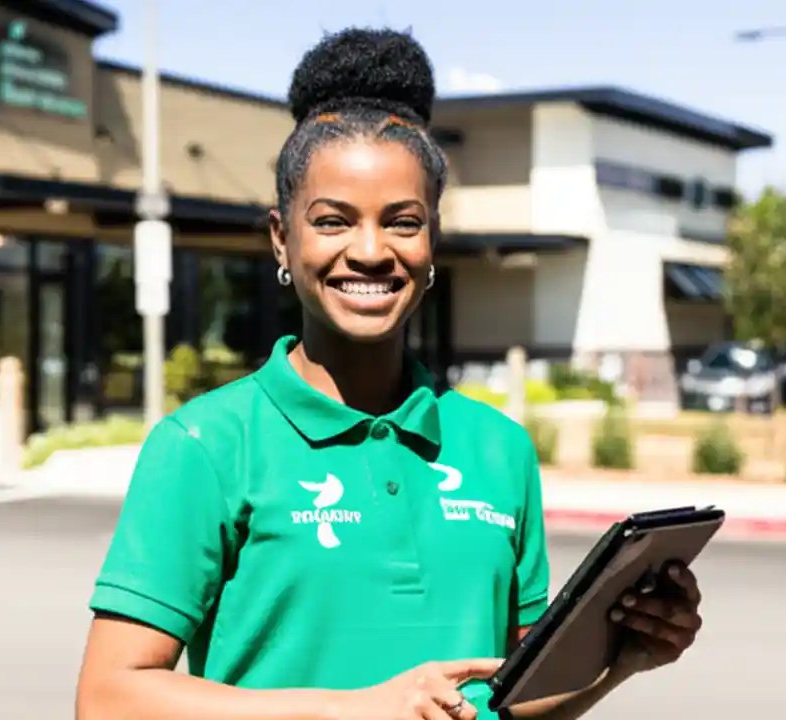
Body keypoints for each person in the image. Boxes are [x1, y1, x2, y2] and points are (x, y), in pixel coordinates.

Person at [75, 27, 704, 720]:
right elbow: (109, 698)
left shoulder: (499, 449)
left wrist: (618, 665)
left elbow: (507, 703)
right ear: (282, 238)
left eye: (402, 222)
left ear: (434, 239)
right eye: (333, 221)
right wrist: (356, 709)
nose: (370, 251)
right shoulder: (205, 445)